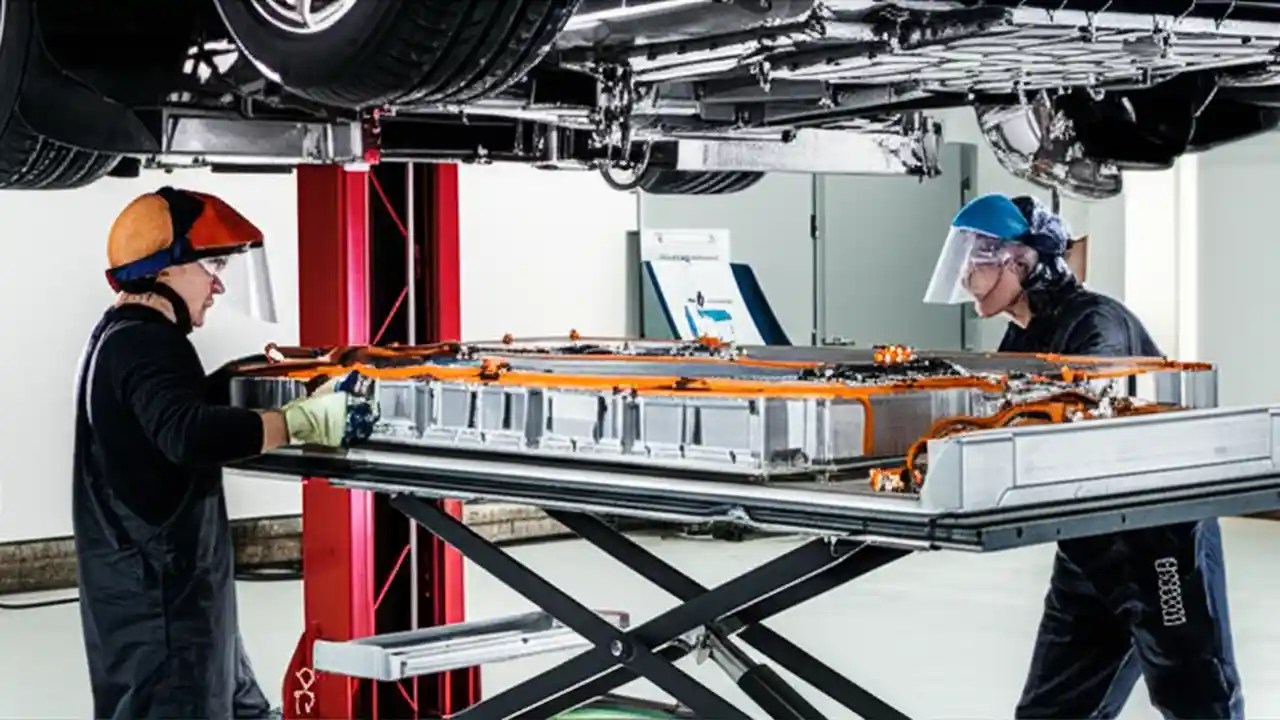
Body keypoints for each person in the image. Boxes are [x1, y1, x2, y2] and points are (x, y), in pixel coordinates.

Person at [923, 193, 1243, 719]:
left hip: (1155, 541)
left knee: (1197, 697)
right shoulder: (1025, 331)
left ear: (1020, 262)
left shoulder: (1097, 325)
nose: (965, 278)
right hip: (1088, 543)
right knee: (1053, 710)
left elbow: (1084, 428)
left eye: (976, 260)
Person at [73, 186, 376, 719]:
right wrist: (299, 422)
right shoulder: (147, 343)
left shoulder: (116, 337)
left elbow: (161, 420)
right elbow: (188, 435)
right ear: (164, 271)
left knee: (241, 706)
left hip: (164, 600)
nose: (216, 284)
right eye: (208, 265)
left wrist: (238, 383)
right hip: (165, 607)